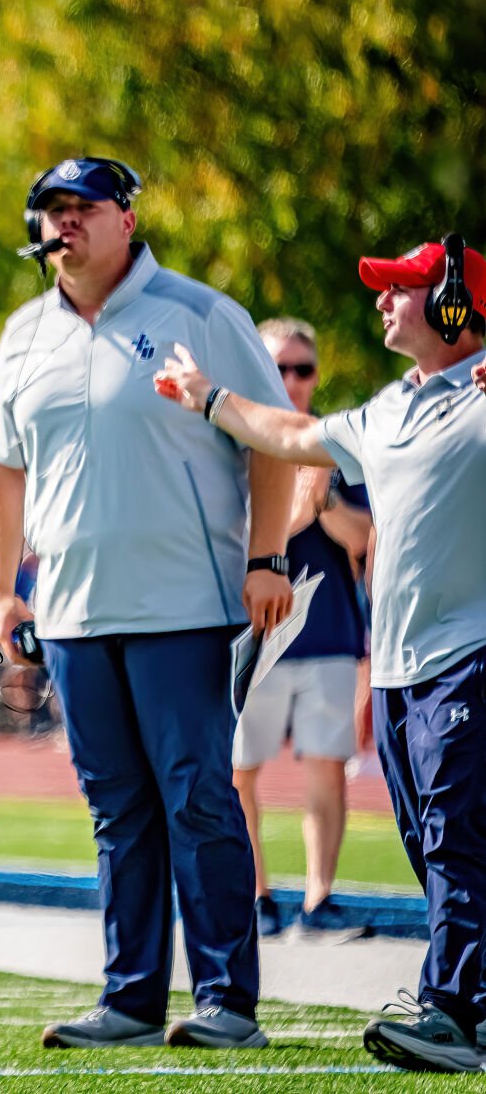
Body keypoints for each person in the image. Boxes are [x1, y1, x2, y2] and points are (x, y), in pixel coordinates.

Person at [0, 157, 295, 1050]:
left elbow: (270, 442)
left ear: (126, 218)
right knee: (115, 809)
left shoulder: (200, 314)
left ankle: (229, 1001)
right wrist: (4, 586)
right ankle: (128, 1000)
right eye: (49, 209)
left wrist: (267, 556)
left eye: (82, 207)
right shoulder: (21, 333)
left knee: (197, 798)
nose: (63, 223)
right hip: (72, 613)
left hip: (183, 606)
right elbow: (3, 466)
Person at [156, 235, 486, 1073]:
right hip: (406, 663)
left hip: (468, 656)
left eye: (400, 290)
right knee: (429, 839)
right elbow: (290, 431)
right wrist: (207, 398)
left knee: (454, 837)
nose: (380, 302)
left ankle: (449, 1009)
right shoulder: (390, 408)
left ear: (454, 307)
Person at [232, 319, 371, 939]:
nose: (291, 380)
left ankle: (319, 902)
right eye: (279, 368)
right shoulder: (233, 441)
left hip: (329, 634)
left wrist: (326, 503)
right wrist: (295, 510)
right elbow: (241, 543)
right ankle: (257, 896)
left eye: (302, 369)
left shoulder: (340, 442)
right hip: (256, 637)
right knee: (239, 772)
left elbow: (364, 536)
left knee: (325, 768)